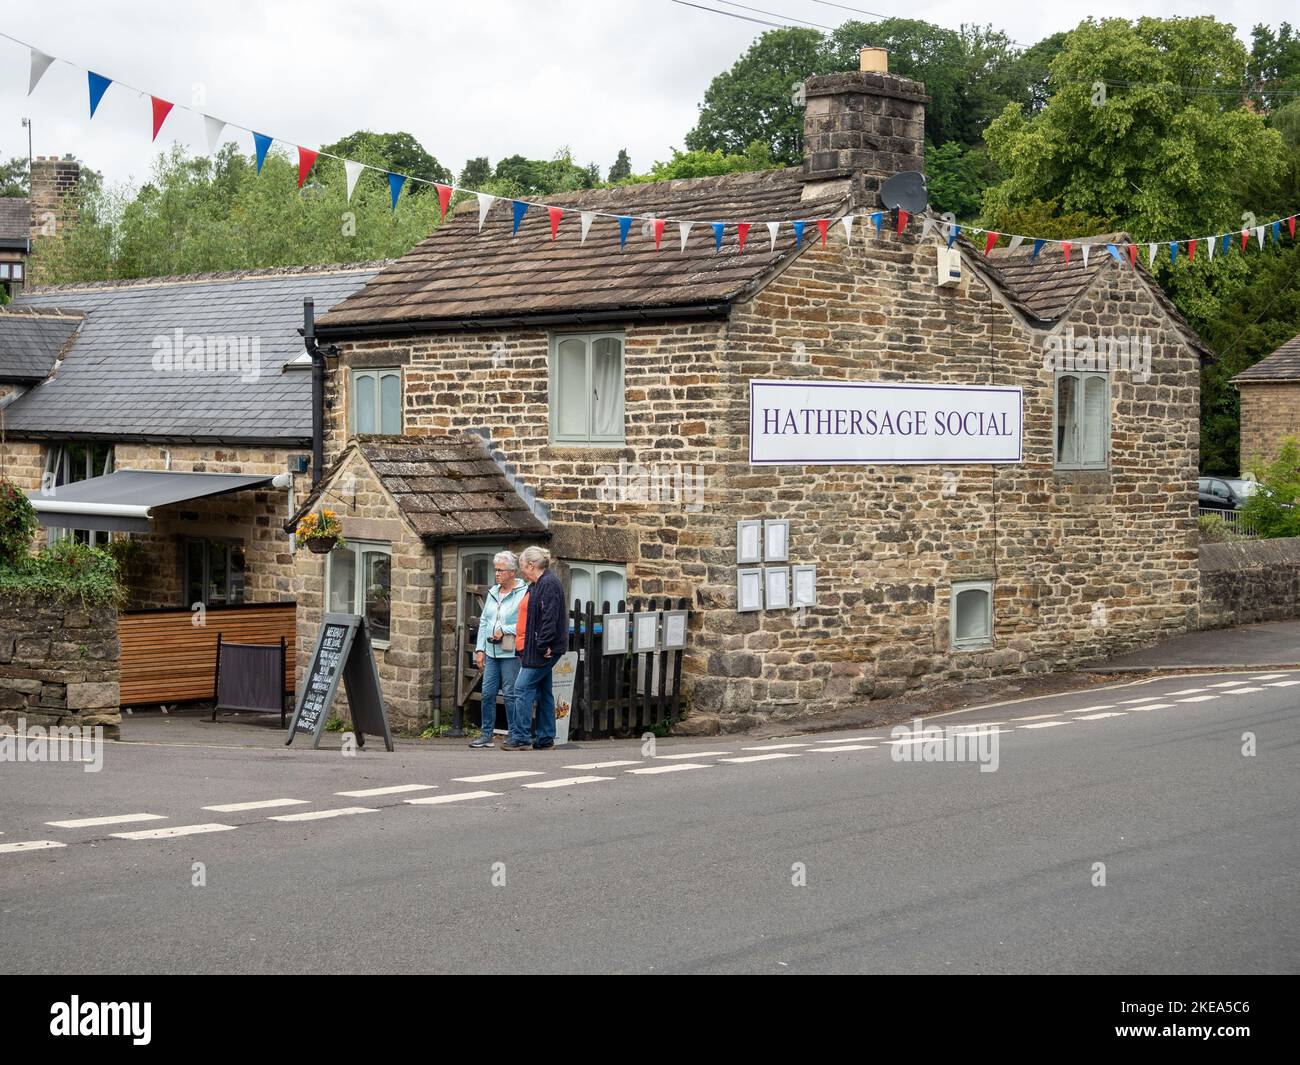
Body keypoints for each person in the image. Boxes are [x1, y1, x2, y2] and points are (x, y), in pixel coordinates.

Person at [504, 545, 568, 750]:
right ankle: (545, 738)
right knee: (543, 691)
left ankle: (521, 737)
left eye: (522, 566)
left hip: (542, 649)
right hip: (536, 647)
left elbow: (550, 618)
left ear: (531, 565)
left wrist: (544, 644)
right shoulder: (537, 584)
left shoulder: (548, 584)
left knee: (521, 688)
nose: (521, 571)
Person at [469, 551, 526, 749]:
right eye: (496, 570)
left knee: (510, 694)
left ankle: (514, 734)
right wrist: (479, 649)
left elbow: (525, 623)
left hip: (510, 652)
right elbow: (485, 621)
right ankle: (486, 735)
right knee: (487, 693)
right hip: (491, 652)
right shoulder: (494, 591)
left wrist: (505, 630)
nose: (497, 573)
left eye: (501, 570)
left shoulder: (523, 592)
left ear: (512, 572)